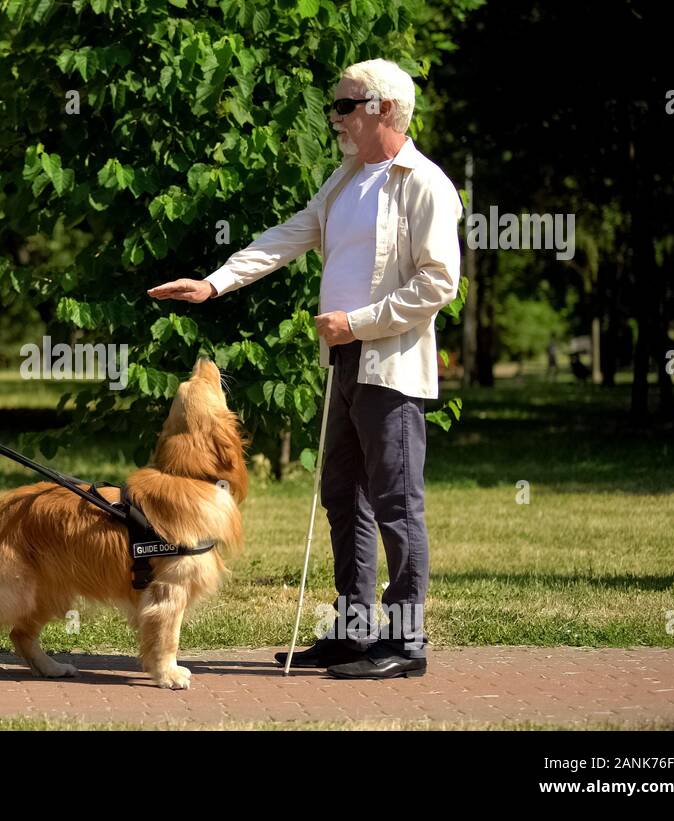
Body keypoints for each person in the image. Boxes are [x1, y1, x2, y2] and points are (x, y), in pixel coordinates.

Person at [147, 59, 463, 679]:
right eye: (336, 106)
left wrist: (359, 322)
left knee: (397, 504)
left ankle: (405, 644)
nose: (335, 118)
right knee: (342, 495)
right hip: (344, 362)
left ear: (383, 109)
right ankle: (353, 632)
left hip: (390, 366)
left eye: (345, 106)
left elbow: (439, 284)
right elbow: (290, 234)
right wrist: (215, 284)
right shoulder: (347, 178)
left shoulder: (425, 183)